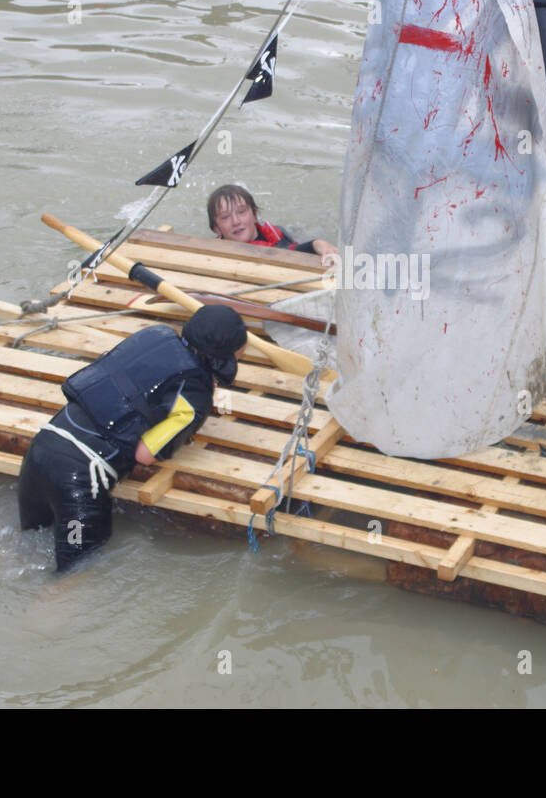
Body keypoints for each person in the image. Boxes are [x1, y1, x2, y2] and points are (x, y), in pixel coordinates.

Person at [18, 305, 247, 571]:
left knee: (20, 548)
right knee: (73, 575)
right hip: (78, 481)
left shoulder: (156, 335)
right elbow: (144, 455)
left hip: (40, 451)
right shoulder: (194, 397)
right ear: (223, 360)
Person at [207, 184, 338, 259]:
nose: (236, 221)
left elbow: (290, 252)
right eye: (225, 217)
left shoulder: (279, 238)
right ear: (216, 228)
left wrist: (316, 244)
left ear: (255, 214)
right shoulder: (212, 253)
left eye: (241, 212)